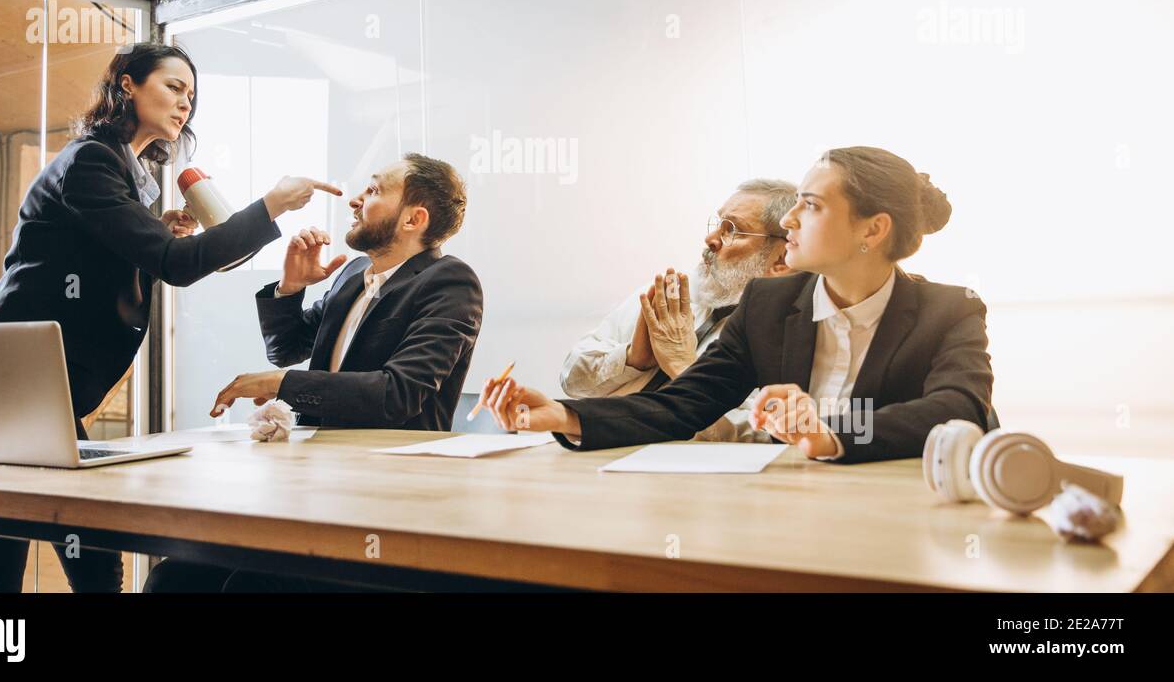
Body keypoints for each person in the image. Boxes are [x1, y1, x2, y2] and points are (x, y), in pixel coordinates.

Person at [0, 42, 339, 592]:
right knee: (13, 543)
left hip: (36, 380)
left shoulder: (134, 177)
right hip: (7, 377)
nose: (185, 104)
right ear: (128, 85)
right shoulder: (91, 160)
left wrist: (163, 233)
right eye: (173, 87)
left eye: (192, 95)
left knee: (82, 536)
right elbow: (175, 267)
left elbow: (171, 258)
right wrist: (271, 205)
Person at [481, 146, 995, 464]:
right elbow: (683, 404)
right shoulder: (769, 303)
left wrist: (829, 430)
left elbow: (960, 409)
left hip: (901, 519)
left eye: (810, 205)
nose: (790, 219)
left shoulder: (949, 309)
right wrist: (565, 415)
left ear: (873, 229)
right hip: (788, 513)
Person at [145, 153, 481, 592]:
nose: (355, 200)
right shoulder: (355, 274)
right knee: (173, 577)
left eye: (375, 190)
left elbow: (398, 394)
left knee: (248, 588)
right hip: (316, 487)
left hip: (384, 505)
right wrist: (290, 289)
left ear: (414, 219)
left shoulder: (450, 281)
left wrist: (279, 385)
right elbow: (285, 349)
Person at [560, 179, 796, 441]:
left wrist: (684, 367)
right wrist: (632, 359)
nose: (710, 239)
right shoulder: (668, 294)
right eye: (718, 225)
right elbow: (571, 380)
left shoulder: (789, 332)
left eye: (733, 230)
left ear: (781, 258)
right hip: (595, 453)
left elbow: (760, 436)